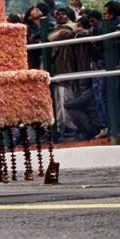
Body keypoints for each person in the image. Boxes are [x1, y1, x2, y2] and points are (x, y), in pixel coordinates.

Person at [48, 8, 98, 140]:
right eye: (58, 14)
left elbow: (53, 37)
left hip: (70, 69)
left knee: (68, 100)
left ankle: (71, 128)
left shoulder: (72, 30)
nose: (60, 16)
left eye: (63, 14)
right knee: (61, 101)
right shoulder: (63, 30)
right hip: (60, 69)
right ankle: (64, 127)